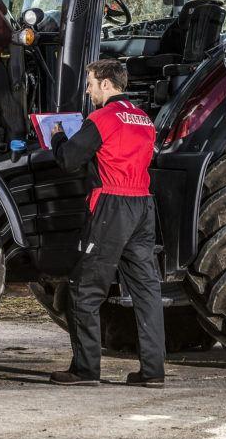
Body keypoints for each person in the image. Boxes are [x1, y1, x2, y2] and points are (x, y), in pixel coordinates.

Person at [47, 58, 165, 387]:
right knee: (146, 290)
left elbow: (69, 160)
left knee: (83, 290)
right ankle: (153, 372)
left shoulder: (103, 118)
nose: (88, 89)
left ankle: (85, 370)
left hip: (112, 206)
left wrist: (56, 136)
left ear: (107, 85)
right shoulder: (144, 119)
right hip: (143, 204)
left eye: (90, 82)